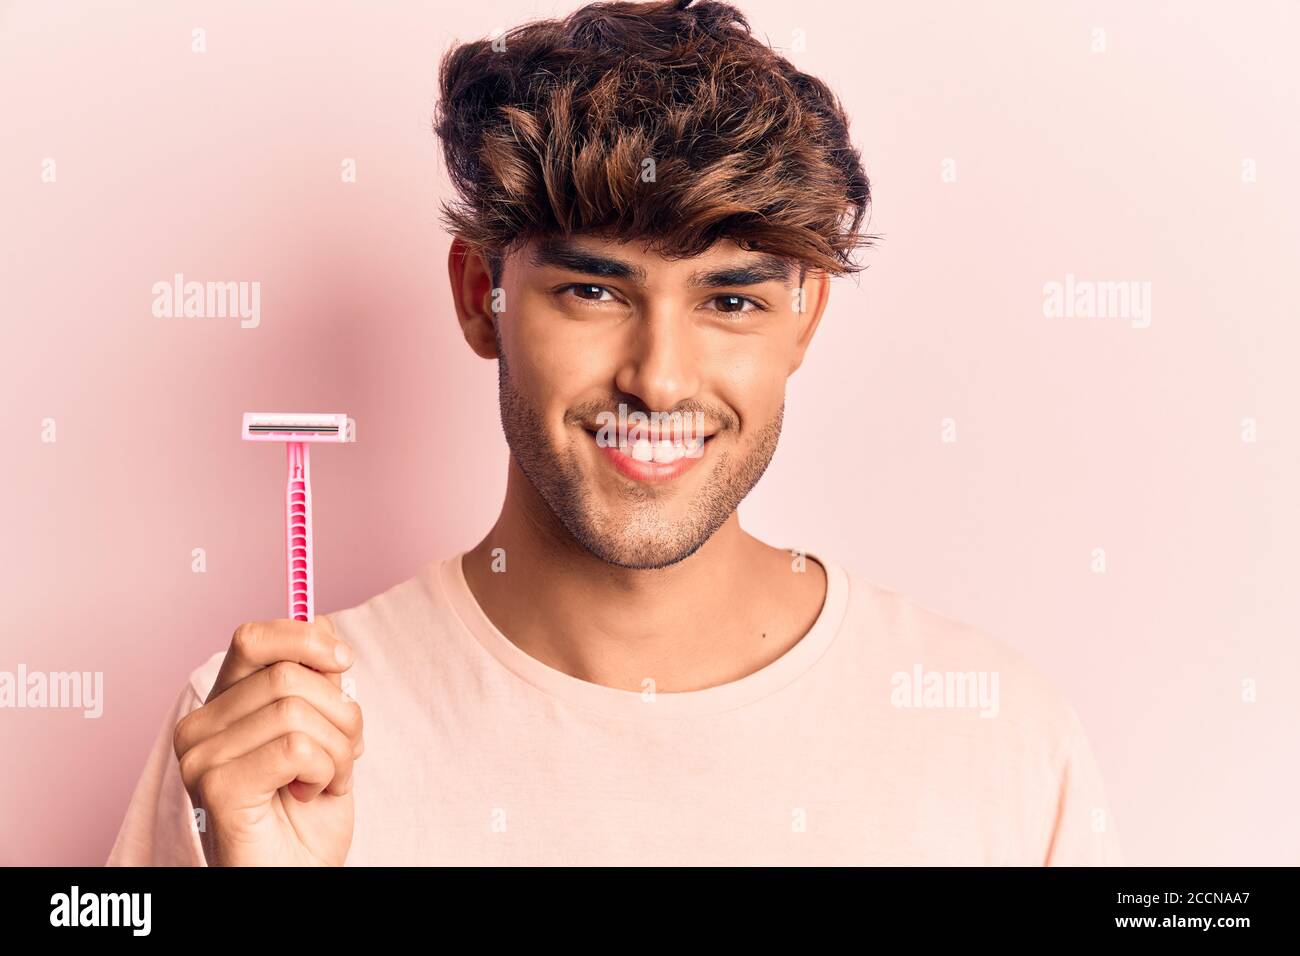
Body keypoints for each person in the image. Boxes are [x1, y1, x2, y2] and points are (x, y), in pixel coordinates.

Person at [107, 0, 1123, 866]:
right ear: (480, 296)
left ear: (803, 319)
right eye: (593, 289)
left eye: (730, 300)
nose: (659, 375)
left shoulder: (997, 741)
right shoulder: (261, 737)